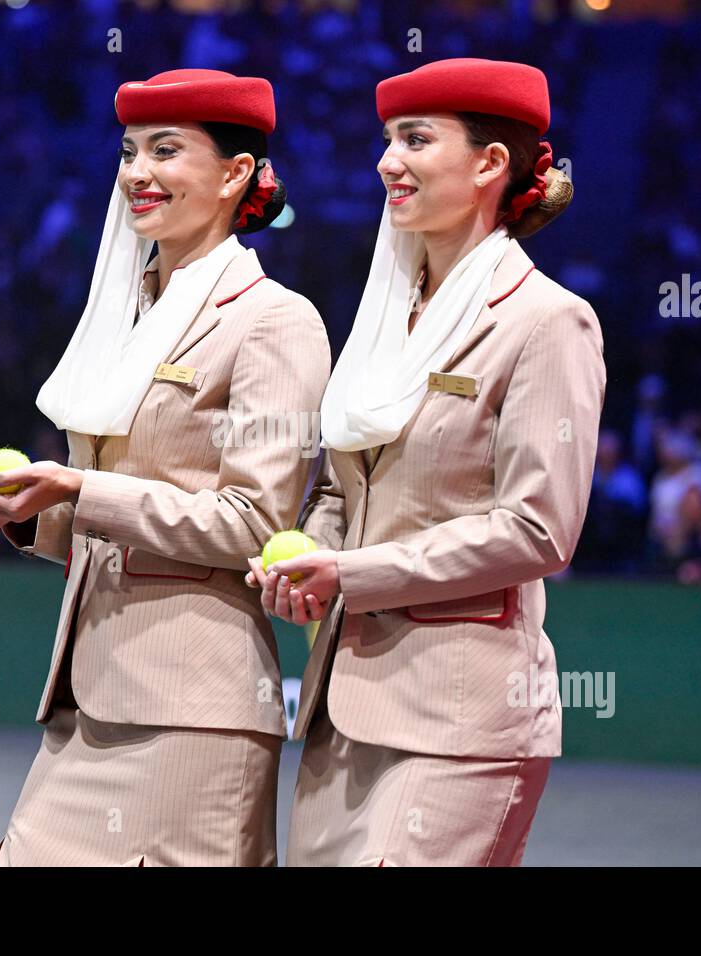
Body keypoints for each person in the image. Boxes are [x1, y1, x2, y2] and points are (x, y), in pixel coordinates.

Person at [0, 69, 330, 865]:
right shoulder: (124, 314)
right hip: (89, 699)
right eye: (127, 152)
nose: (137, 173)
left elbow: (254, 524)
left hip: (192, 714)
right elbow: (105, 519)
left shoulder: (276, 321)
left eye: (165, 150)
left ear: (235, 175)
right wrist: (21, 508)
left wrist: (81, 488)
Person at [248, 58, 606, 865]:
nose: (387, 160)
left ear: (489, 164)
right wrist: (313, 556)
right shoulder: (381, 316)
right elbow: (346, 485)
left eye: (415, 138)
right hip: (343, 712)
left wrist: (353, 572)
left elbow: (537, 530)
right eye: (386, 140)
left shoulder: (550, 322)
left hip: (463, 718)